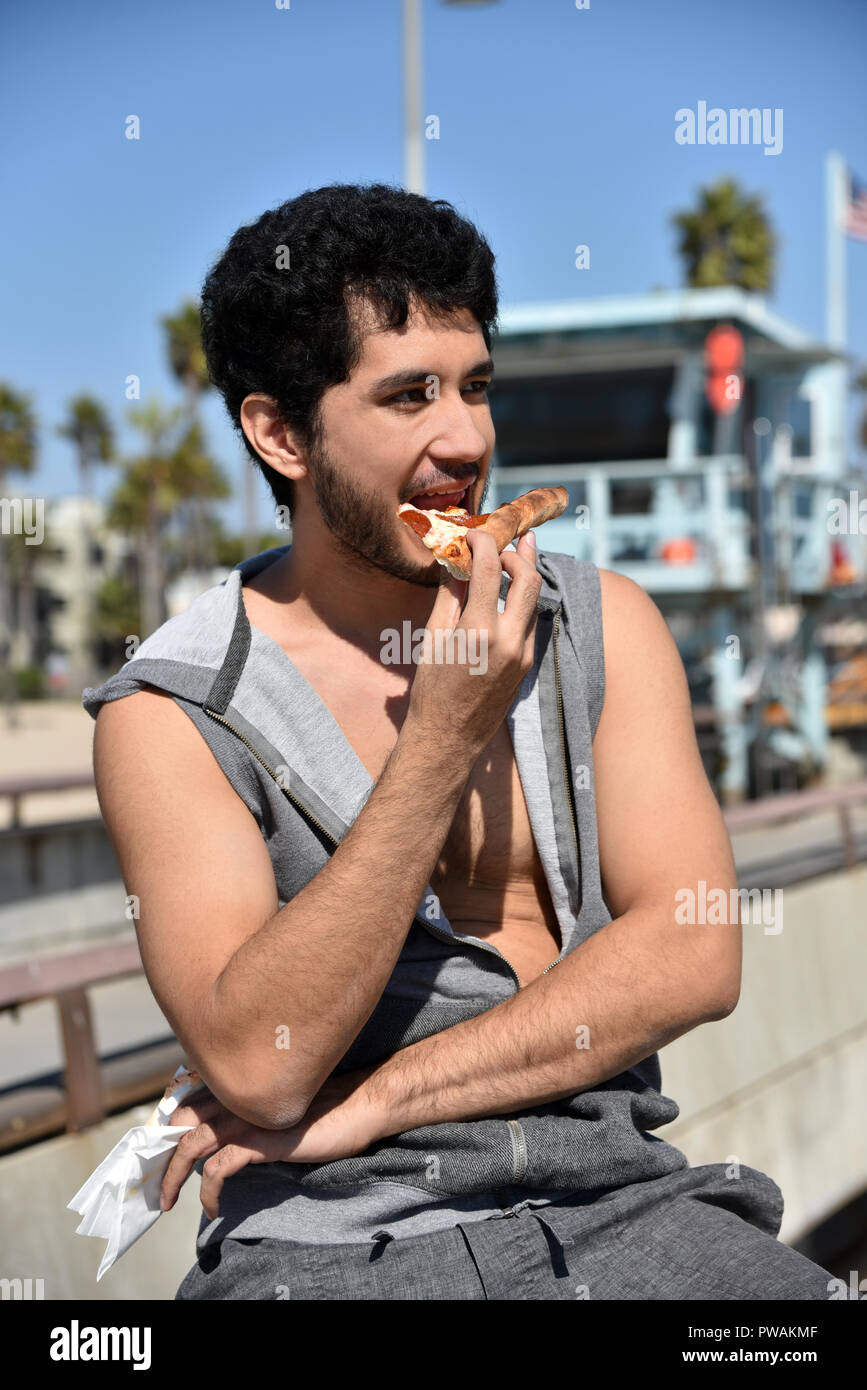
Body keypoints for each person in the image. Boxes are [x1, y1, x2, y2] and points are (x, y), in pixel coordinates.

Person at [84, 182, 833, 1301]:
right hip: (323, 1248)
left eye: (477, 385)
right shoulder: (173, 711)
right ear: (280, 432)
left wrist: (377, 1100)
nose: (467, 437)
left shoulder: (602, 624)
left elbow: (694, 949)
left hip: (618, 1201)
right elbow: (257, 1060)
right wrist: (439, 737)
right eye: (409, 396)